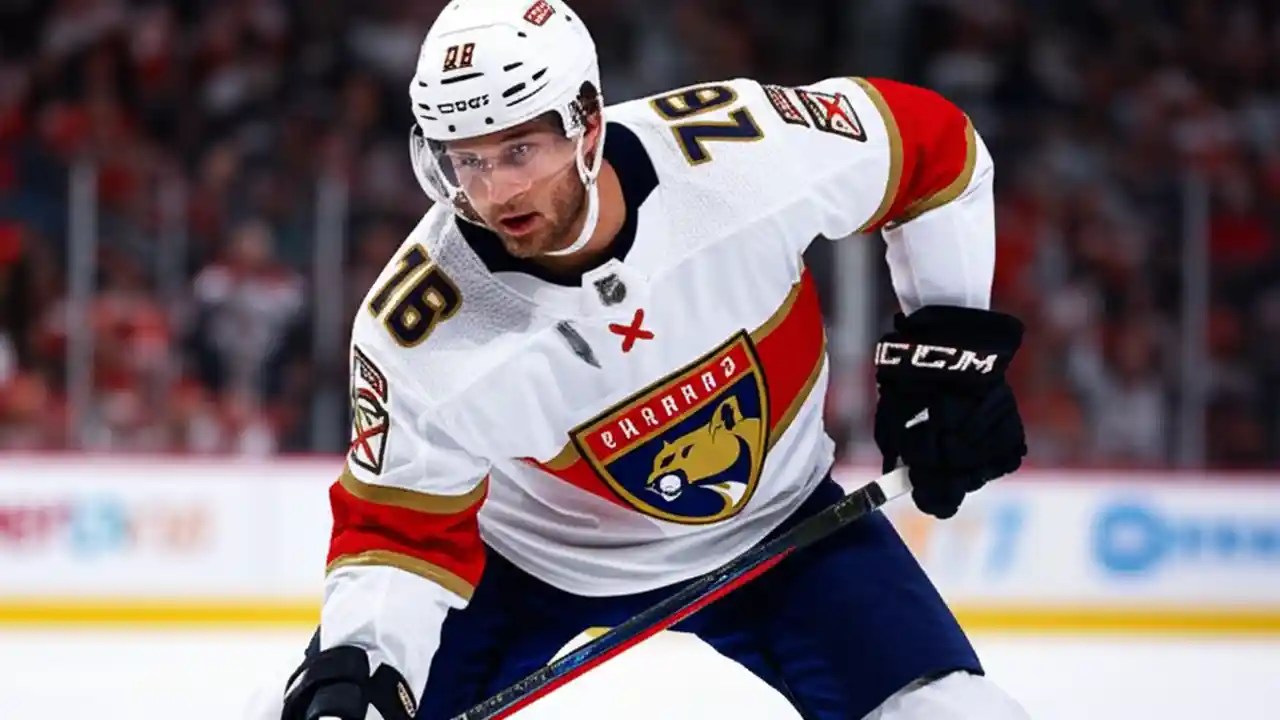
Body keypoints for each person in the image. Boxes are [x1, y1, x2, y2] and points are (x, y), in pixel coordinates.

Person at [277, 1, 1029, 718]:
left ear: (588, 125)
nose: (494, 190)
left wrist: (948, 357)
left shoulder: (741, 155)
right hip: (524, 562)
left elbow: (934, 149)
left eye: (519, 149)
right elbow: (399, 530)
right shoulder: (417, 327)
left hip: (781, 522)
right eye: (464, 160)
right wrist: (360, 657)